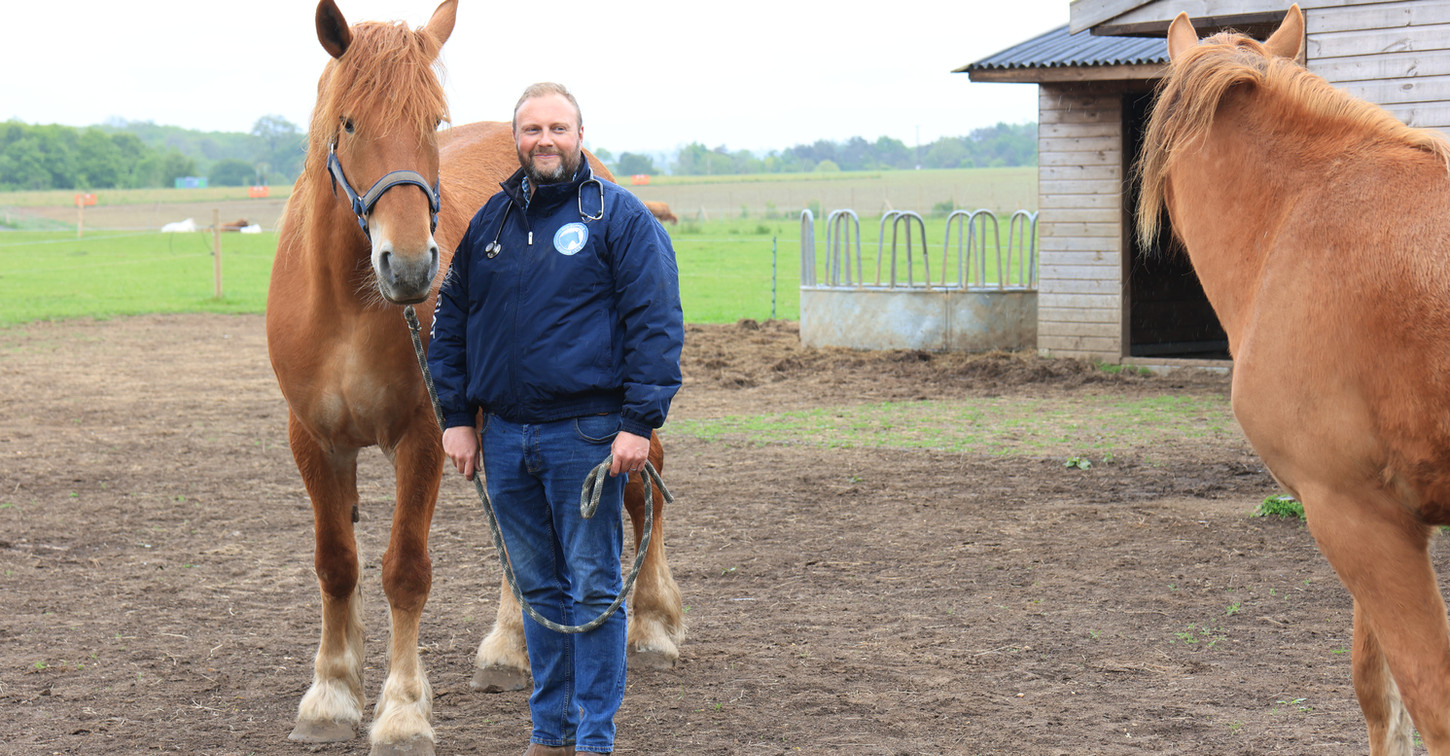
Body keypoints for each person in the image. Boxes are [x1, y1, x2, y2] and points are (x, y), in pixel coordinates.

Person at [428, 82, 684, 756]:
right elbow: (450, 322)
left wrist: (639, 422)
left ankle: (594, 738)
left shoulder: (619, 217)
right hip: (506, 438)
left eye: (558, 129)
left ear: (579, 136)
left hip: (587, 434)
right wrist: (456, 417)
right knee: (536, 589)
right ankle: (551, 731)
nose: (545, 140)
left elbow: (656, 324)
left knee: (593, 586)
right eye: (532, 129)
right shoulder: (492, 221)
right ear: (518, 139)